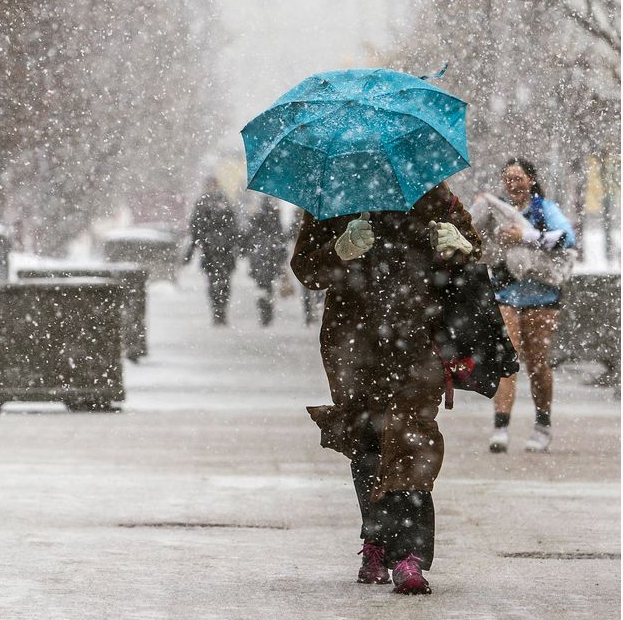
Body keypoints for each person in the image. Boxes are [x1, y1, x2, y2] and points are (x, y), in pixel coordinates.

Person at [291, 182, 482, 595]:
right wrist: (339, 251)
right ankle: (376, 541)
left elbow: (473, 252)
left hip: (418, 338)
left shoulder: (429, 191)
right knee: (368, 439)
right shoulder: (332, 196)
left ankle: (410, 555)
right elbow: (306, 268)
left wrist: (460, 245)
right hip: (352, 342)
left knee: (413, 438)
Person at [479, 158, 576, 454]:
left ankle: (542, 425)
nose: (513, 184)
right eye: (508, 178)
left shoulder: (544, 210)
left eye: (518, 178)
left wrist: (525, 236)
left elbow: (566, 238)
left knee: (537, 362)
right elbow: (475, 236)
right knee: (507, 358)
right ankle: (500, 426)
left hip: (542, 296)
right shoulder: (497, 210)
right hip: (506, 293)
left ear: (531, 180)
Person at [184, 178, 240, 325]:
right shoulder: (220, 203)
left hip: (216, 251)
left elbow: (195, 230)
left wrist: (192, 251)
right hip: (216, 251)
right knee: (219, 282)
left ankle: (219, 310)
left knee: (219, 282)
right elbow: (196, 229)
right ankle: (219, 310)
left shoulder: (207, 204)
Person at [242, 197, 289, 325]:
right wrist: (283, 257)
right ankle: (267, 308)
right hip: (272, 257)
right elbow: (281, 238)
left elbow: (248, 237)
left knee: (261, 285)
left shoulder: (256, 218)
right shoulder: (275, 217)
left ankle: (264, 308)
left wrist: (244, 251)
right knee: (269, 286)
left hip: (258, 258)